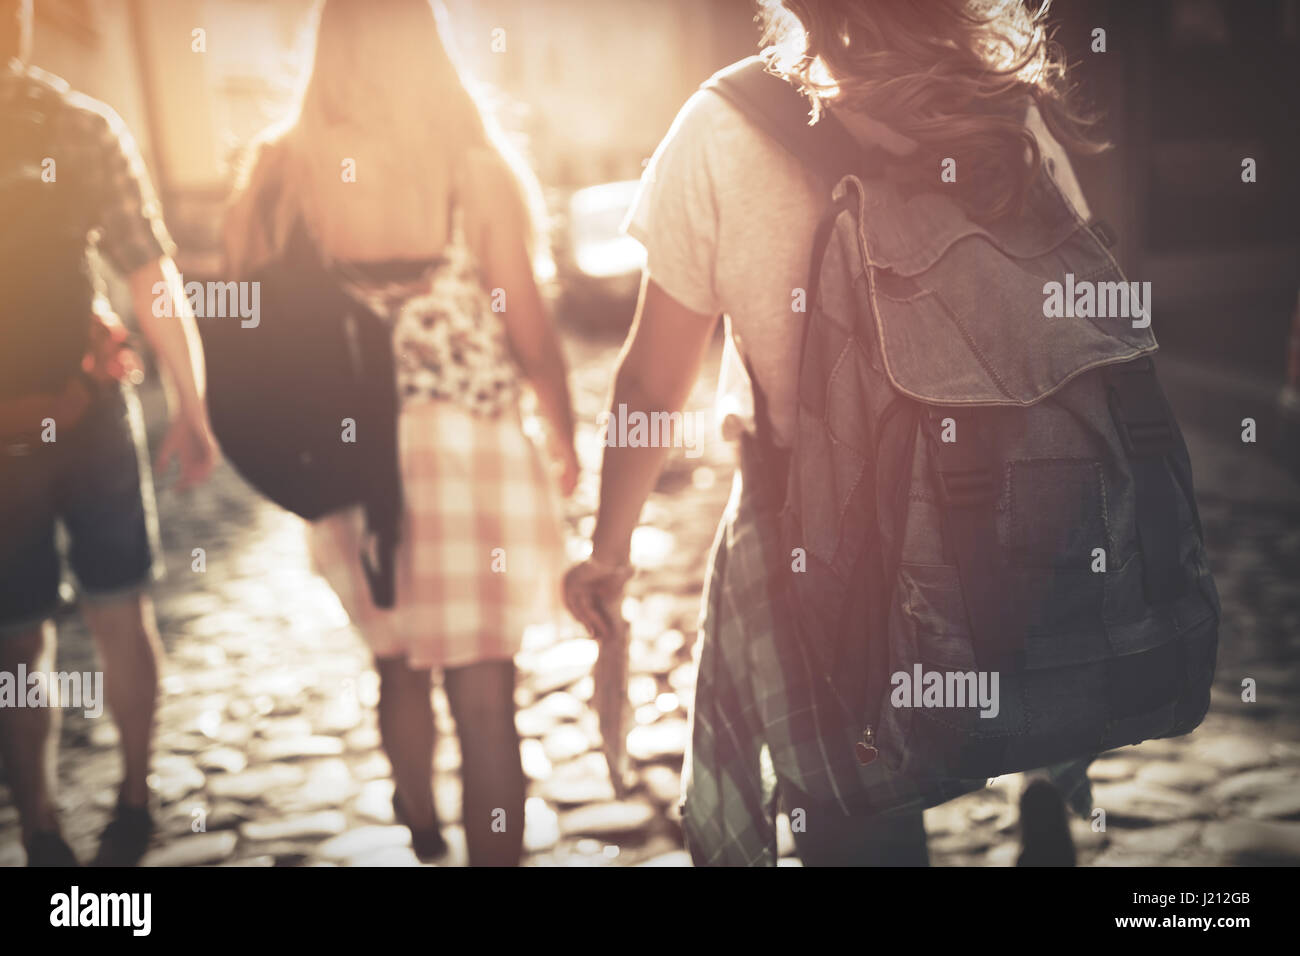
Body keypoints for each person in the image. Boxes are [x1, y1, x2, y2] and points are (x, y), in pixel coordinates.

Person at [564, 0, 1102, 866]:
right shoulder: (1006, 110)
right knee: (1013, 696)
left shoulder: (720, 124)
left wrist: (608, 554)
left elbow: (650, 384)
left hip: (817, 540)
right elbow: (1074, 315)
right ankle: (1042, 784)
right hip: (997, 513)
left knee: (857, 805)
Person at [223, 0, 577, 867]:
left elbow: (247, 323)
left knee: (397, 664)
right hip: (472, 456)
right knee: (486, 687)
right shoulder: (476, 174)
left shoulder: (278, 171)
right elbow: (528, 333)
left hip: (350, 456)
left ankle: (419, 823)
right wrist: (564, 432)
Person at [0, 0, 219, 866]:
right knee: (121, 610)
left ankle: (42, 825)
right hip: (89, 410)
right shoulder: (84, 126)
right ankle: (133, 799)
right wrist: (192, 407)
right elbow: (152, 276)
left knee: (18, 635)